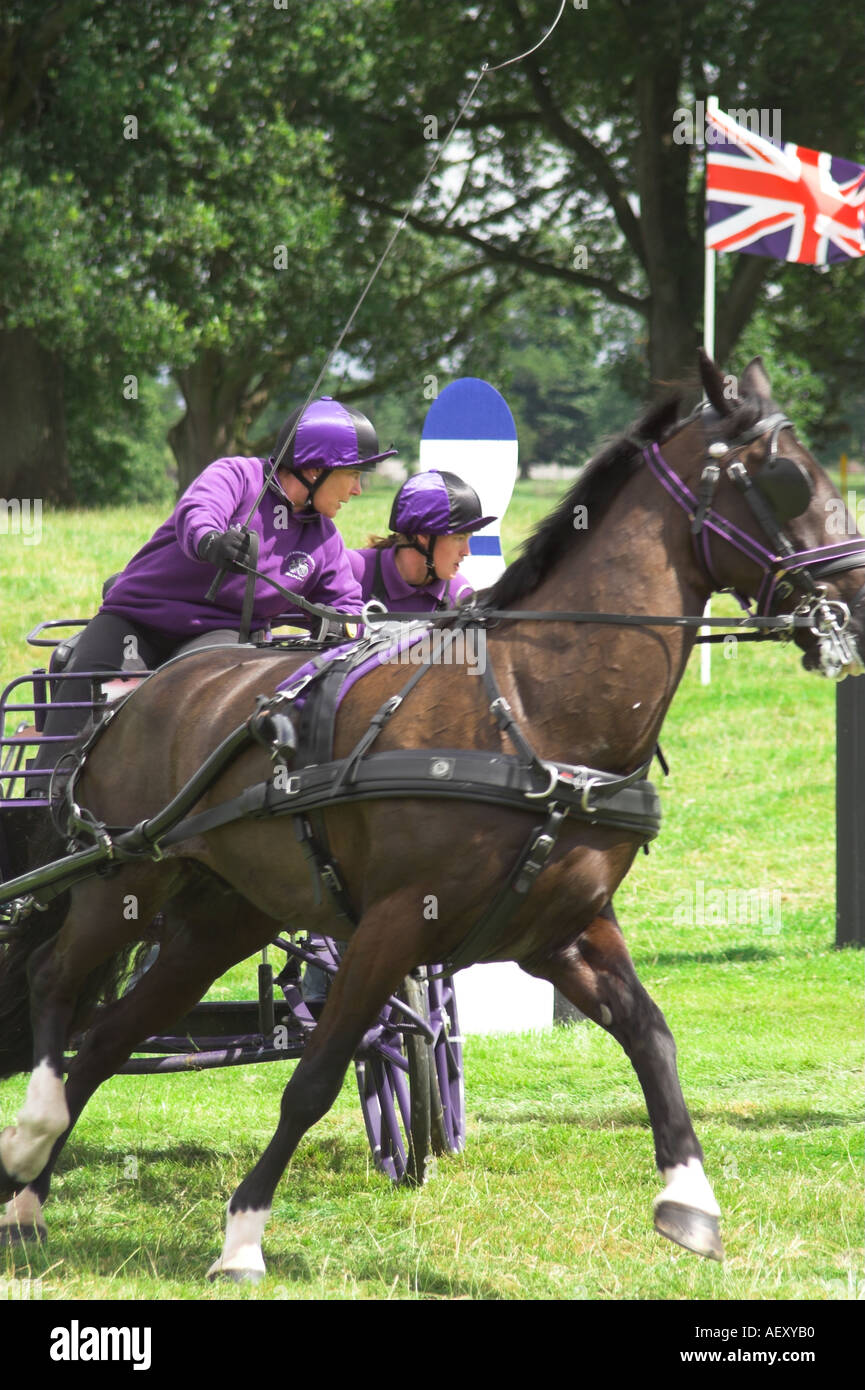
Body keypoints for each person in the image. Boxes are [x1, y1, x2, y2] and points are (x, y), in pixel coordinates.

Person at [28, 397, 395, 793]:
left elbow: (348, 609)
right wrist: (212, 543)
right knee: (86, 685)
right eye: (354, 474)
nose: (358, 489)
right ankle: (40, 796)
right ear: (314, 468)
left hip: (218, 635)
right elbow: (198, 513)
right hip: (136, 620)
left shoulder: (324, 540)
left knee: (196, 690)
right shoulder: (237, 475)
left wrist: (343, 625)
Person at [348, 469, 496, 612]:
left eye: (468, 538)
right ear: (423, 535)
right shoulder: (350, 571)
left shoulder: (460, 594)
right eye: (459, 538)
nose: (467, 552)